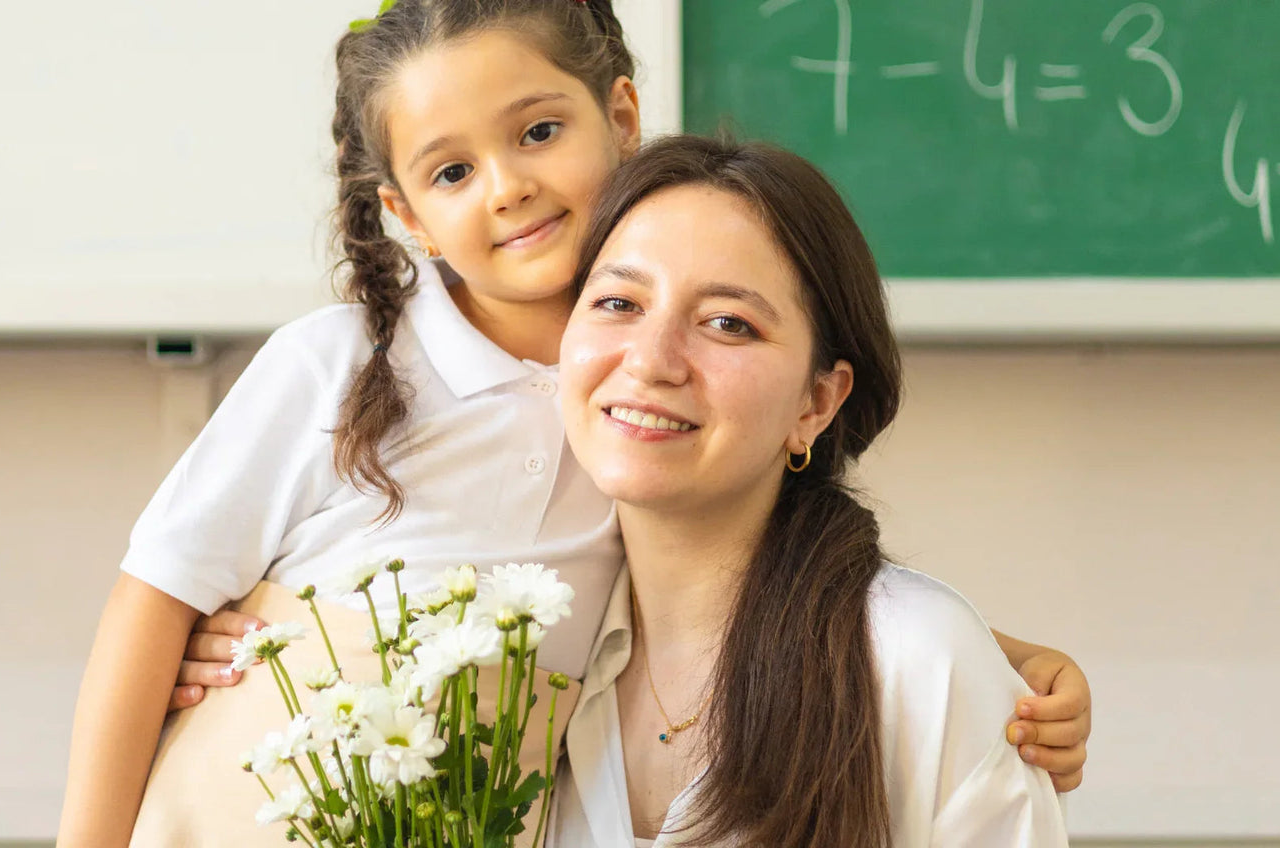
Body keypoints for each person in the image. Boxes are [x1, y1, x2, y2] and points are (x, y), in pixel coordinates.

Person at [57, 2, 1087, 844]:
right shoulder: (338, 368)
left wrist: (1000, 655)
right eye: (453, 171)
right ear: (407, 216)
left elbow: (749, 575)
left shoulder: (633, 413)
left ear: (621, 116)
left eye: (539, 131)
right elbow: (150, 604)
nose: (509, 186)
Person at [548, 134, 1070, 846]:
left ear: (816, 403)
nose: (650, 360)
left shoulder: (920, 662)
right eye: (617, 302)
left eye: (728, 323)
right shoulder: (523, 655)